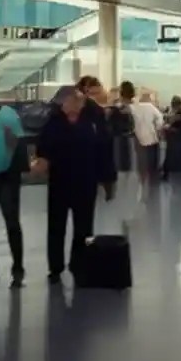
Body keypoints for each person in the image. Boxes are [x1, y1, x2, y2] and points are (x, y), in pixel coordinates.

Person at [37, 85, 117, 284]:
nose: (63, 106)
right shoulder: (53, 122)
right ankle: (55, 268)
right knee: (56, 226)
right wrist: (40, 164)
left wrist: (108, 180)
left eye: (65, 102)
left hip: (86, 181)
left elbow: (104, 151)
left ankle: (80, 264)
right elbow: (43, 149)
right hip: (59, 181)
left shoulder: (93, 120)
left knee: (84, 227)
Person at [0, 98, 27, 287]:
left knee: (12, 222)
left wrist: (11, 143)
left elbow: (19, 144)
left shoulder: (8, 115)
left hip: (8, 176)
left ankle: (18, 270)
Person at [130, 91, 163, 187]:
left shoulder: (133, 107)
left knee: (141, 159)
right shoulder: (150, 106)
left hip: (138, 136)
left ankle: (142, 179)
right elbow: (160, 117)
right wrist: (158, 128)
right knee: (152, 159)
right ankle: (153, 178)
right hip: (151, 136)